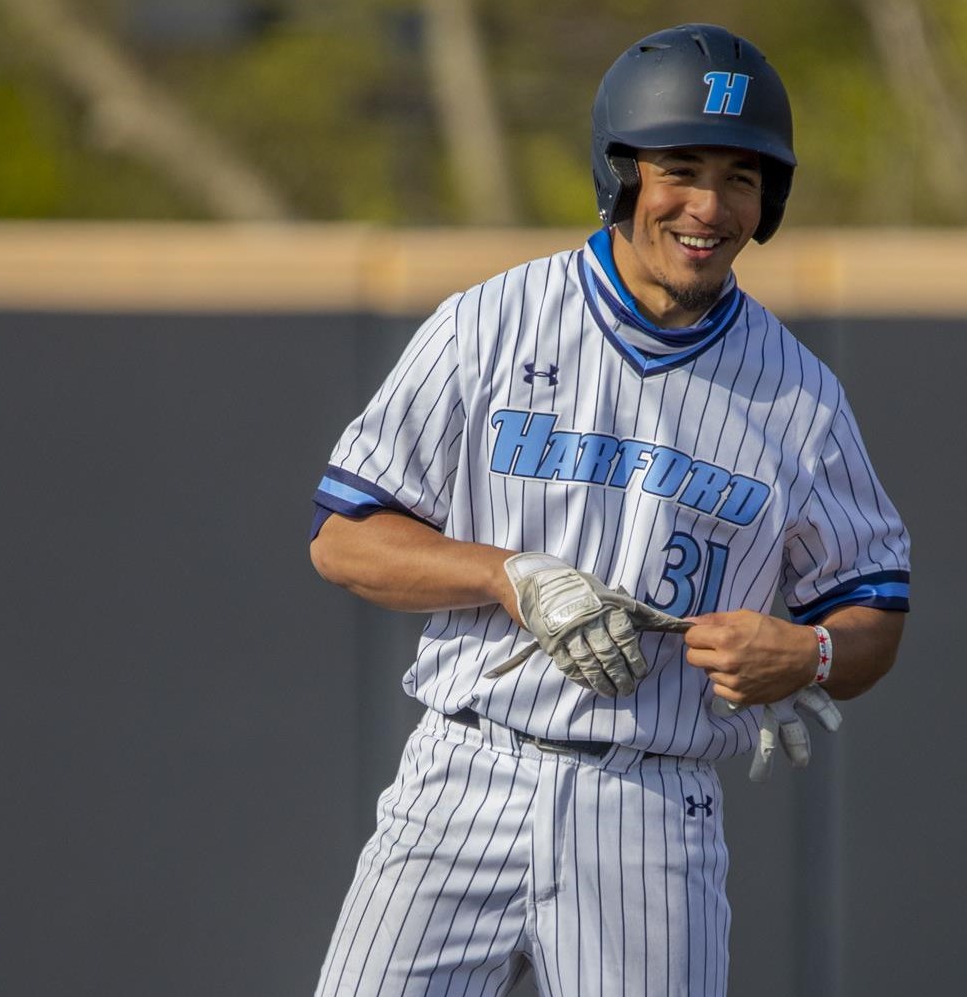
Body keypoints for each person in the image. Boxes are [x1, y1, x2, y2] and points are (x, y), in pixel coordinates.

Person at [306, 23, 910, 997]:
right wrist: (508, 575)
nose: (708, 206)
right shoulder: (487, 323)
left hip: (649, 803)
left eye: (741, 177)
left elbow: (874, 604)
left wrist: (812, 653)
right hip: (464, 771)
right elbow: (345, 538)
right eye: (680, 169)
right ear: (621, 173)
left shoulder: (800, 398)